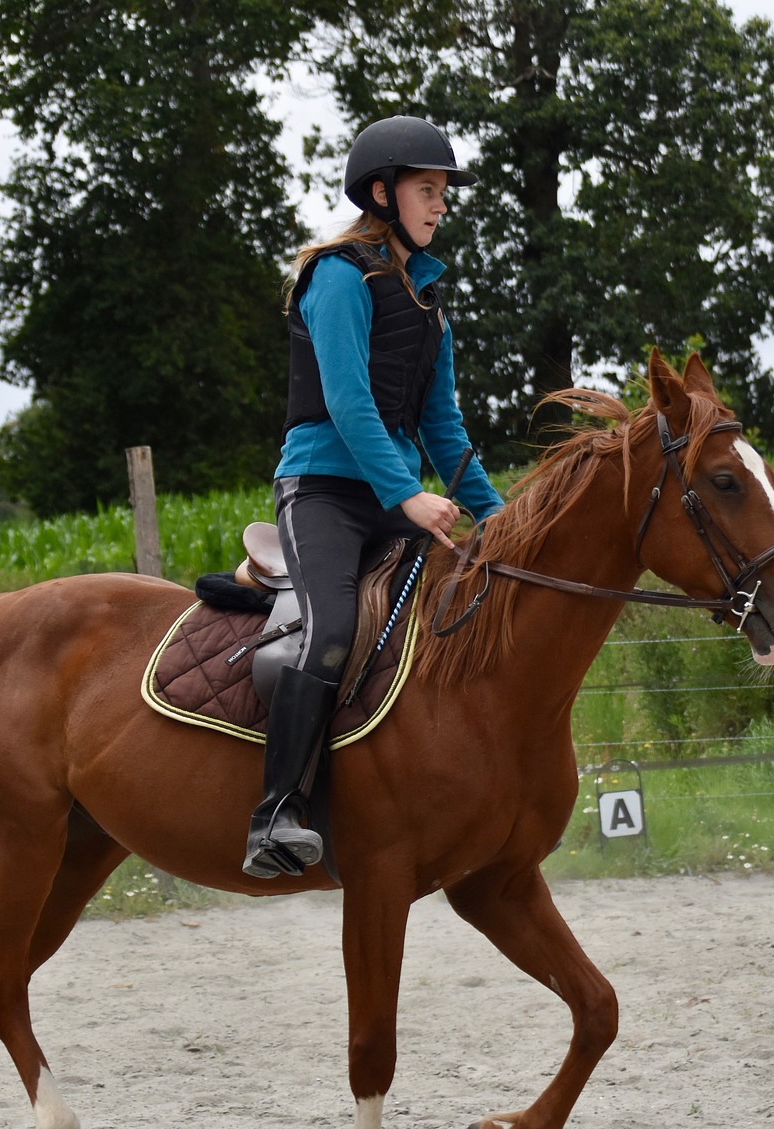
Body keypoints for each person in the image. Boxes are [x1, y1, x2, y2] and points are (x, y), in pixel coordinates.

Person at [245, 116, 505, 878]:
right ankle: (276, 816)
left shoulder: (428, 302)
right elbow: (350, 402)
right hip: (322, 491)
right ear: (384, 193)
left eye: (445, 193)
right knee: (329, 628)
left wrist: (500, 521)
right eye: (430, 190)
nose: (441, 205)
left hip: (394, 498)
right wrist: (408, 496)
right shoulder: (339, 277)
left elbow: (444, 428)